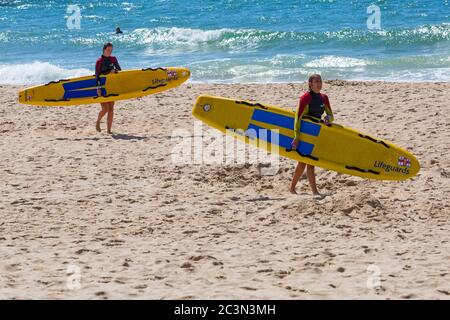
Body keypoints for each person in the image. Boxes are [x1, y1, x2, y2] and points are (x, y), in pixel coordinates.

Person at [289, 74, 334, 198]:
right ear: (310, 84)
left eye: (320, 81)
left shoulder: (324, 98)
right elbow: (297, 118)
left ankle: (293, 188)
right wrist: (297, 136)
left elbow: (331, 116)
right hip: (303, 132)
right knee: (307, 162)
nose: (319, 83)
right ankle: (313, 191)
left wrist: (327, 119)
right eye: (316, 81)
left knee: (305, 161)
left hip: (315, 133)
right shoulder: (305, 98)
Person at [95, 42, 121, 134]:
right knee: (105, 109)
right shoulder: (99, 61)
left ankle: (109, 131)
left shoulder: (113, 59)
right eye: (108, 50)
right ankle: (98, 121)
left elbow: (119, 70)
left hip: (111, 86)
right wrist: (98, 88)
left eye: (111, 50)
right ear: (104, 49)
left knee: (111, 108)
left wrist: (115, 71)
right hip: (102, 87)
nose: (110, 52)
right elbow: (97, 76)